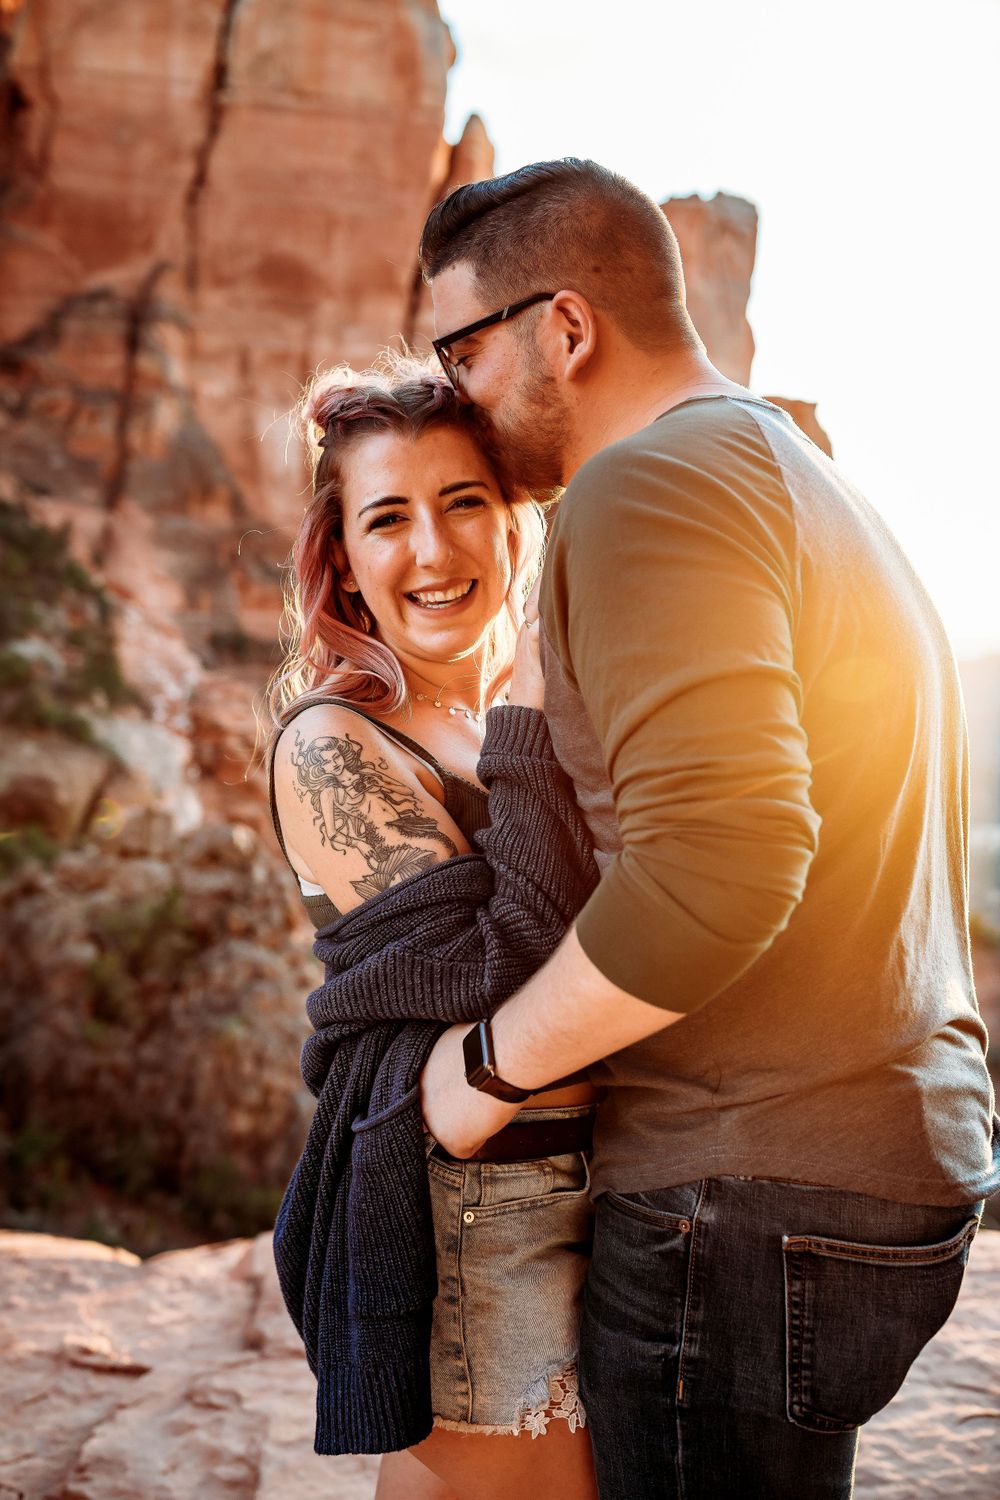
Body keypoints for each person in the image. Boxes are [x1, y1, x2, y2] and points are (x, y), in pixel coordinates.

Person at [416, 158, 1000, 1499]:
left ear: (564, 328)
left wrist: (486, 1067)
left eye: (462, 352)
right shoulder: (789, 461)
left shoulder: (645, 486)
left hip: (745, 1195)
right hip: (876, 1163)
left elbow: (718, 866)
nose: (457, 397)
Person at [266, 359, 600, 1500]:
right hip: (477, 1220)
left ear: (515, 521)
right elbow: (505, 969)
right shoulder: (334, 744)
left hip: (601, 1184)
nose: (432, 549)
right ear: (346, 560)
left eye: (464, 502)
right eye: (387, 518)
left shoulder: (503, 707)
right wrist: (539, 700)